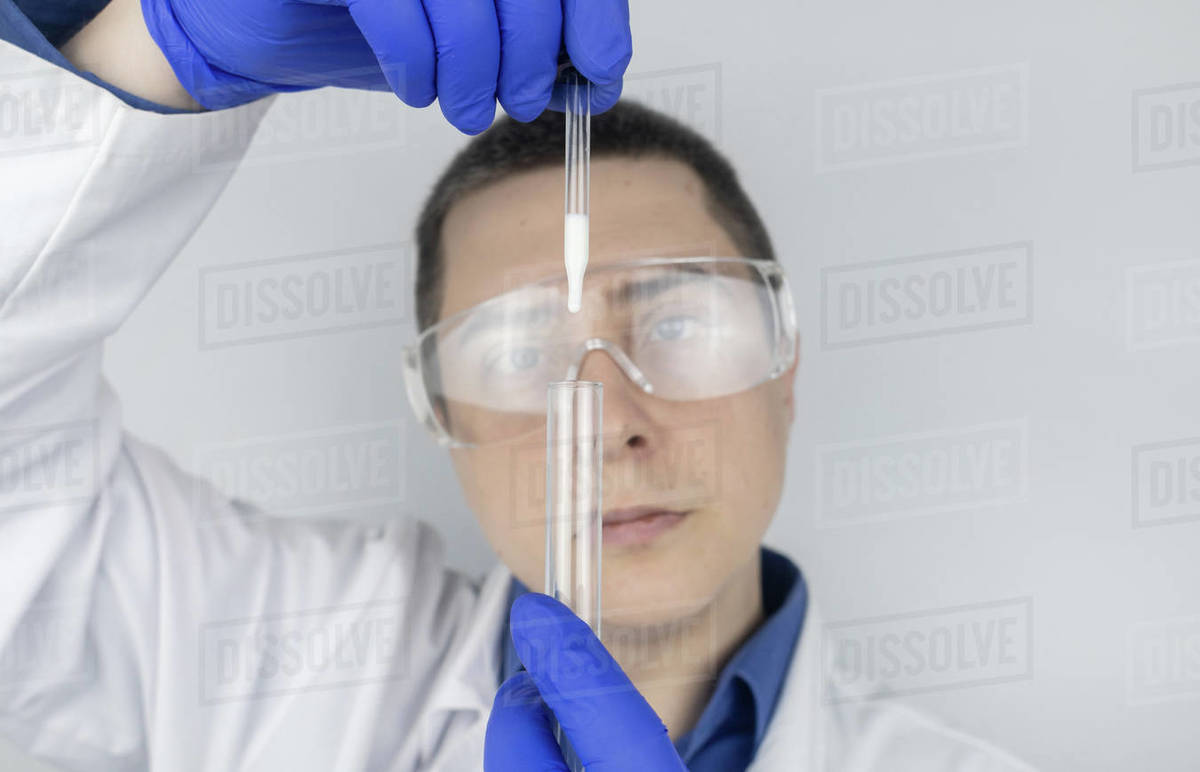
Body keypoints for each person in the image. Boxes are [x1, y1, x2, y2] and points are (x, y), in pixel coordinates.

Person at [0, 0, 1033, 769]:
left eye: (678, 323)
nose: (610, 424)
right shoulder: (269, 654)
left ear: (786, 366)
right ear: (442, 415)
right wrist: (137, 52)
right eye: (515, 354)